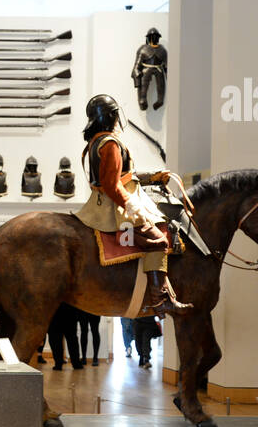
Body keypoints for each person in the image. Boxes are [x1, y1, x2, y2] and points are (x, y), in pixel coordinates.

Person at [75, 94, 190, 316]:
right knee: (157, 239)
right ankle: (160, 298)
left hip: (107, 200)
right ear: (112, 116)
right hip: (115, 206)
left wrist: (151, 177)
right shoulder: (110, 143)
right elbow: (111, 184)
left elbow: (123, 175)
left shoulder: (96, 142)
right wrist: (130, 204)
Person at [46, 303, 84, 371]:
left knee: (56, 340)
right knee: (72, 340)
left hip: (55, 313)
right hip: (69, 312)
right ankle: (76, 363)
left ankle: (58, 364)